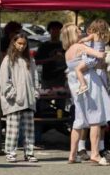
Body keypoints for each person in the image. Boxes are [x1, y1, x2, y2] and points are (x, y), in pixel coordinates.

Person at [63, 24, 108, 165]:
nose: (81, 31)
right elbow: (99, 55)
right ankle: (95, 153)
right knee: (96, 117)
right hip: (89, 82)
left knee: (79, 120)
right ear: (72, 34)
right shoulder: (80, 47)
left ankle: (72, 154)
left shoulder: (67, 51)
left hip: (74, 84)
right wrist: (100, 47)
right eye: (77, 30)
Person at [0, 32, 38, 163]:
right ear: (14, 43)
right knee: (13, 129)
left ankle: (29, 152)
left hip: (28, 98)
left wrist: (35, 92)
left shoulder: (29, 59)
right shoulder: (8, 59)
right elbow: (4, 79)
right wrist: (11, 93)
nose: (21, 46)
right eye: (19, 43)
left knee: (29, 128)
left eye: (24, 44)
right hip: (14, 100)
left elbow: (35, 77)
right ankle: (10, 152)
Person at [34, 21, 68, 89]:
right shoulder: (44, 46)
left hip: (61, 79)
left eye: (58, 29)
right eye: (53, 29)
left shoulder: (64, 45)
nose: (56, 31)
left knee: (61, 98)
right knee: (45, 98)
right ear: (49, 31)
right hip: (47, 79)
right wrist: (52, 59)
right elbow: (36, 62)